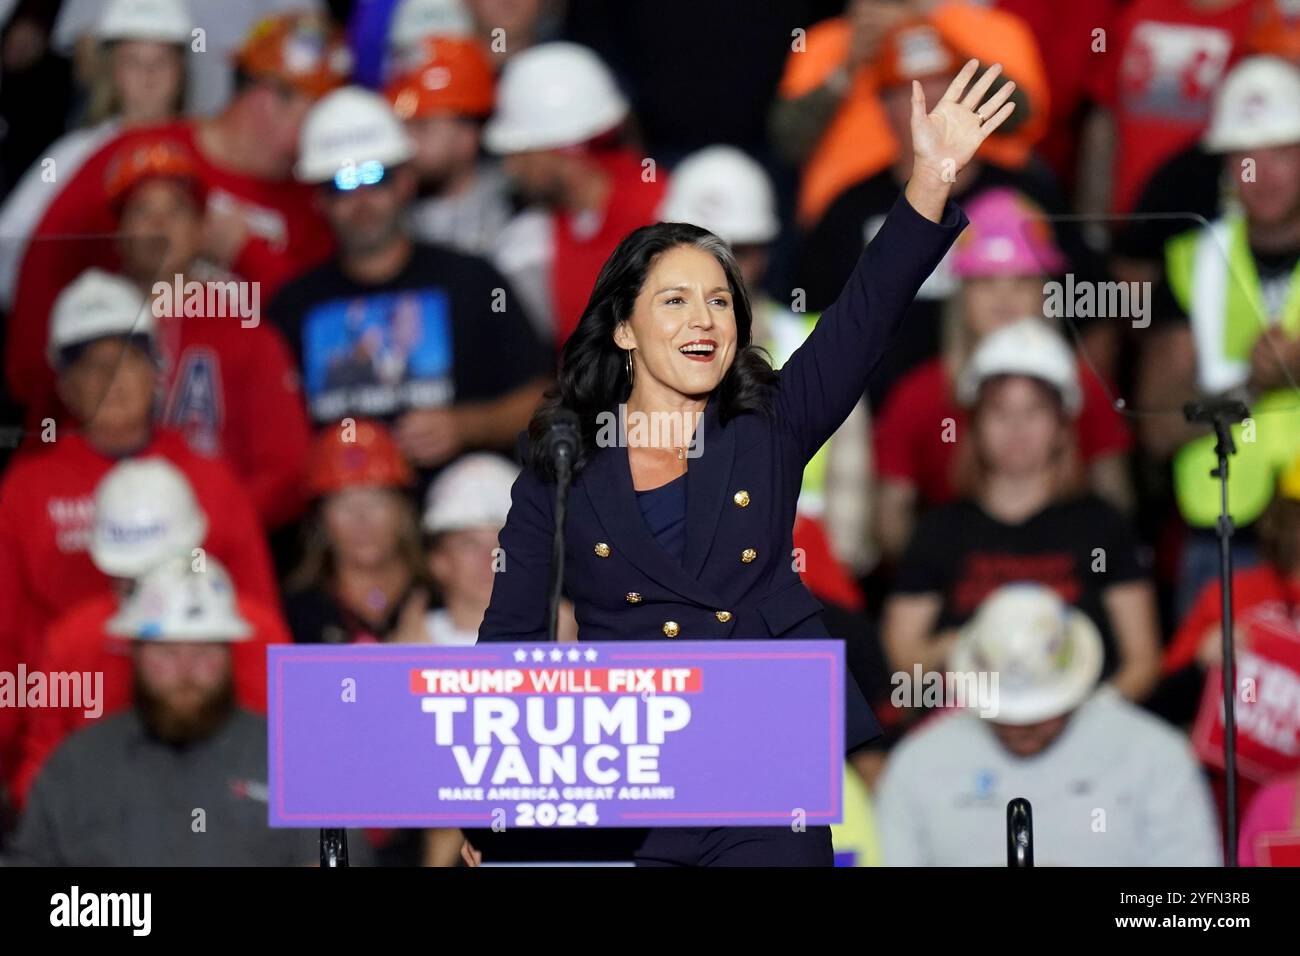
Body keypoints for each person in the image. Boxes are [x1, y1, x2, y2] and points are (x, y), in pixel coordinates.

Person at [471, 59, 1017, 867]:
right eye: (676, 300)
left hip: (764, 767)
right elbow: (513, 639)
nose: (705, 319)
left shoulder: (768, 429)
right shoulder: (561, 466)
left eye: (720, 300)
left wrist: (931, 178)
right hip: (629, 781)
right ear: (623, 328)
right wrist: (492, 811)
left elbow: (866, 313)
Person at [0, 270, 276, 789]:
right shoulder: (25, 490)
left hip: (209, 722)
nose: (114, 379)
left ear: (156, 372)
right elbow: (5, 637)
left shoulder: (209, 477)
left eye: (129, 358)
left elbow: (255, 619)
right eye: (93, 365)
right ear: (65, 387)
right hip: (78, 716)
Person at [6, 10, 349, 421]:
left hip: (240, 429)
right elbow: (51, 263)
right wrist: (38, 395)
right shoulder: (144, 149)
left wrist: (250, 255)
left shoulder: (319, 202)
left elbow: (321, 333)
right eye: (317, 103)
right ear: (263, 94)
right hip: (108, 419)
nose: (326, 123)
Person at [269, 86, 551, 480]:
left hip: (464, 518)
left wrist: (465, 426)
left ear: (405, 182)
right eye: (340, 186)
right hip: (339, 518)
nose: (362, 201)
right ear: (318, 201)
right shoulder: (293, 307)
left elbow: (543, 400)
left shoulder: (472, 280)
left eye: (376, 178)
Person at [883, 318, 1161, 703]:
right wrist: (956, 646)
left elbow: (1143, 661)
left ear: (1063, 427)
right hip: (967, 727)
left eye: (1034, 412)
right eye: (1000, 412)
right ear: (975, 426)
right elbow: (903, 664)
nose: (1017, 428)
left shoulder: (1103, 527)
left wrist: (1089, 722)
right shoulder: (939, 530)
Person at [6, 557, 324, 867]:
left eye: (204, 651)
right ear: (135, 654)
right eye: (167, 652)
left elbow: (342, 854)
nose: (185, 672)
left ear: (230, 654)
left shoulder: (297, 756)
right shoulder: (76, 765)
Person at [10, 459, 291, 810]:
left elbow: (293, 764)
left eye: (152, 568)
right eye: (126, 573)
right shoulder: (72, 640)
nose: (139, 586)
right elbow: (40, 769)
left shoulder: (251, 631)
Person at [872, 189, 1133, 563]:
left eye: (1021, 281)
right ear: (961, 295)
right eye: (986, 282)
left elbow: (1116, 504)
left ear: (1045, 292)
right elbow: (890, 522)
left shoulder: (1086, 387)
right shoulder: (917, 395)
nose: (1004, 298)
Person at [876, 583, 1221, 866]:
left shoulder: (1155, 757)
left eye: (1041, 713)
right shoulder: (918, 763)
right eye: (1005, 714)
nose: (1022, 728)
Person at [660, 144, 874, 598]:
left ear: (760, 254)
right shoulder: (629, 357)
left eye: (730, 252)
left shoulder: (816, 347)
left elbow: (850, 536)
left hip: (805, 588)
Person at [1136, 56, 1300, 617]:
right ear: (1226, 163)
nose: (1265, 172)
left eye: (1282, 151)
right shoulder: (1192, 262)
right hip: (1227, 543)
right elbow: (1157, 429)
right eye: (1247, 155)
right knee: (1214, 701)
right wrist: (1251, 386)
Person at [105, 136, 312, 528]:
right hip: (109, 544)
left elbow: (287, 470)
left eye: (177, 210)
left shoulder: (246, 332)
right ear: (118, 233)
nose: (159, 224)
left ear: (202, 231)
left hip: (219, 549)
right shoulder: (87, 334)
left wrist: (210, 526)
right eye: (142, 210)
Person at [769, 1, 1047, 227]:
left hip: (982, 210)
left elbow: (1020, 117)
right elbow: (789, 143)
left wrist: (929, 34)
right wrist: (847, 67)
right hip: (850, 222)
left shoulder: (989, 28)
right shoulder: (824, 43)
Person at [0, 0, 191, 309]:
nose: (149, 77)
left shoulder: (203, 149)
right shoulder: (73, 153)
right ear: (113, 71)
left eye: (162, 61)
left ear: (181, 71)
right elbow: (8, 244)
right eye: (133, 62)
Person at [483, 41, 668, 347]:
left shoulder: (671, 213)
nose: (511, 167)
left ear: (565, 151)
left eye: (521, 151)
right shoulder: (528, 243)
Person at [385, 35, 512, 257]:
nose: (404, 142)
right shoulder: (386, 218)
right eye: (401, 126)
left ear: (468, 135)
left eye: (421, 126)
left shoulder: (514, 215)